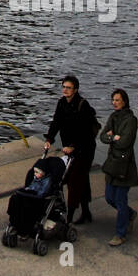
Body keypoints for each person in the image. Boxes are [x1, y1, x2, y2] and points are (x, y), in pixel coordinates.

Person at [43, 74, 99, 223]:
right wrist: (49, 138)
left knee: (73, 181)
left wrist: (73, 146)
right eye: (64, 87)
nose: (65, 90)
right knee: (81, 179)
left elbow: (85, 132)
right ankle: (86, 212)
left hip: (84, 149)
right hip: (70, 148)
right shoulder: (62, 103)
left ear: (75, 90)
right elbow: (56, 122)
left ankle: (69, 216)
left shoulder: (82, 105)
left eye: (68, 88)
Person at [100, 88, 138, 246]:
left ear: (124, 101)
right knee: (110, 198)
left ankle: (120, 233)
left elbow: (125, 142)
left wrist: (113, 137)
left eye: (117, 100)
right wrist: (113, 137)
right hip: (112, 164)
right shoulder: (113, 117)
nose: (114, 103)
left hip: (124, 166)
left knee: (120, 200)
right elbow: (103, 136)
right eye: (113, 100)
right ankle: (130, 214)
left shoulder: (131, 120)